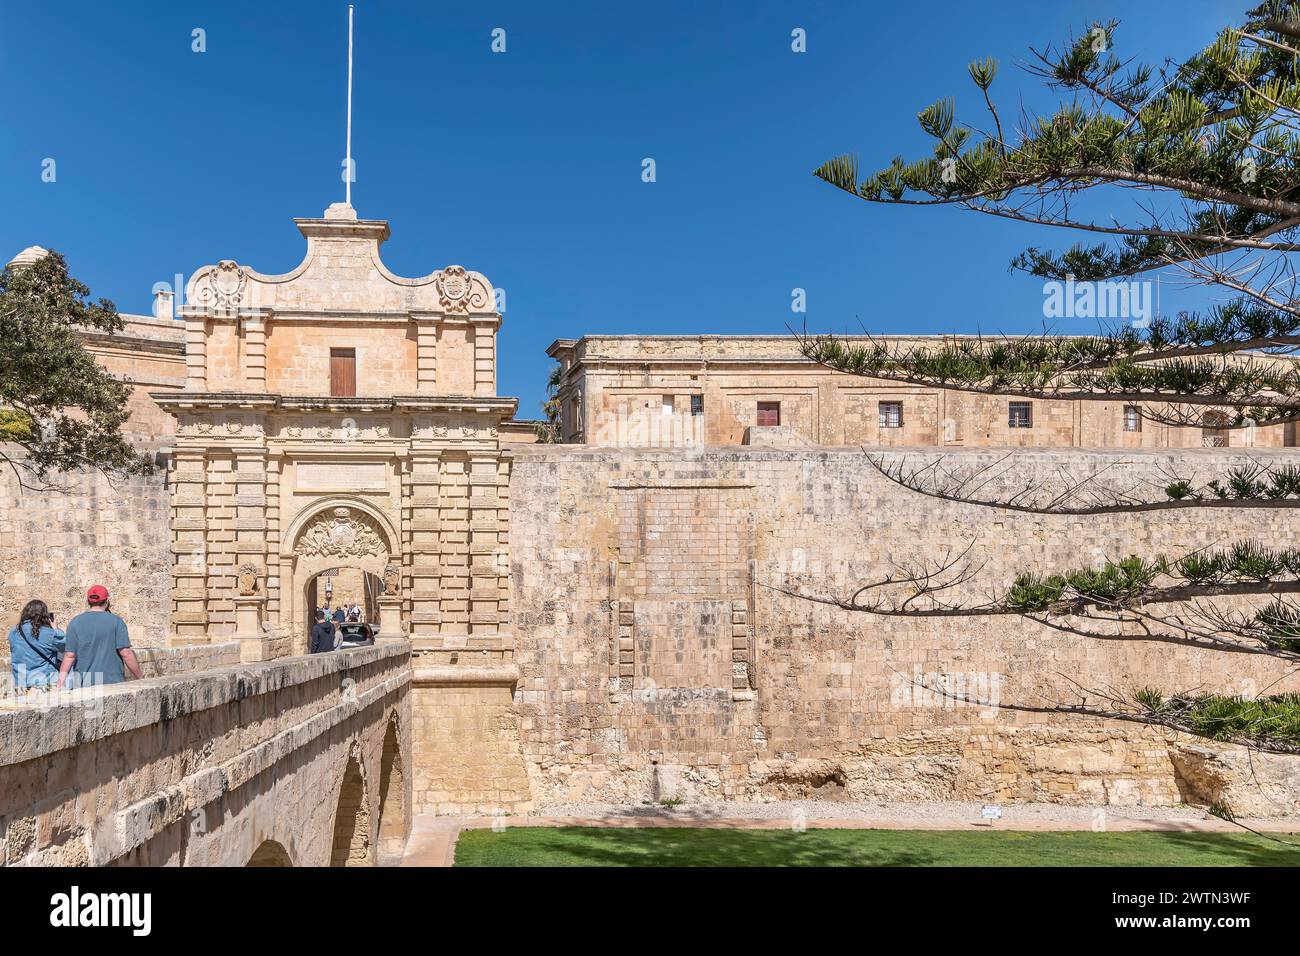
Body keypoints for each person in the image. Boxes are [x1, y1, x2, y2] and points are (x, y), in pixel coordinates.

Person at [57, 585, 142, 689]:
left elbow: (69, 656)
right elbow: (126, 653)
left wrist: (60, 683)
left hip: (84, 685)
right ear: (106, 602)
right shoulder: (116, 621)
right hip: (112, 684)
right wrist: (140, 678)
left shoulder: (74, 623)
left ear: (88, 601)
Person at [7, 600, 65, 691]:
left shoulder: (13, 632)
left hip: (21, 685)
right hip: (44, 683)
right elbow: (67, 646)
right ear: (44, 615)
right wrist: (56, 629)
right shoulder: (48, 633)